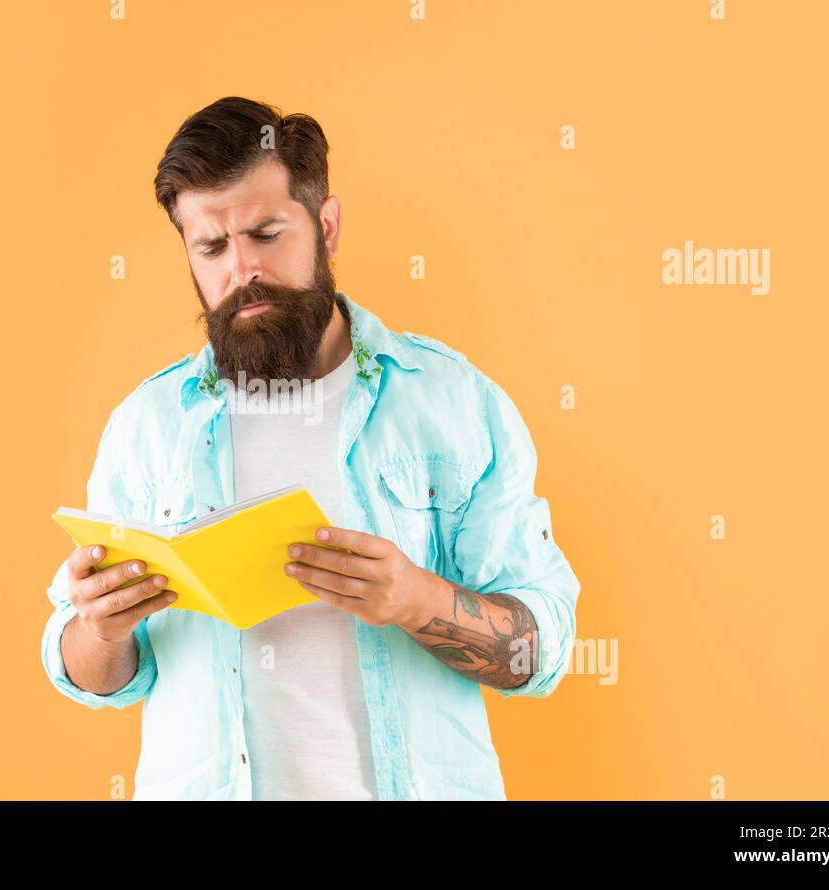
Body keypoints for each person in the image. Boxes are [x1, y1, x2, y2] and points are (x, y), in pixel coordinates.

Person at [41, 96, 580, 800]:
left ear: (326, 226)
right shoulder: (148, 426)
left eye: (267, 233)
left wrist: (417, 600)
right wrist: (101, 630)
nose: (243, 271)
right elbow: (94, 678)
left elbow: (539, 650)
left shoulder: (452, 401)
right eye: (211, 247)